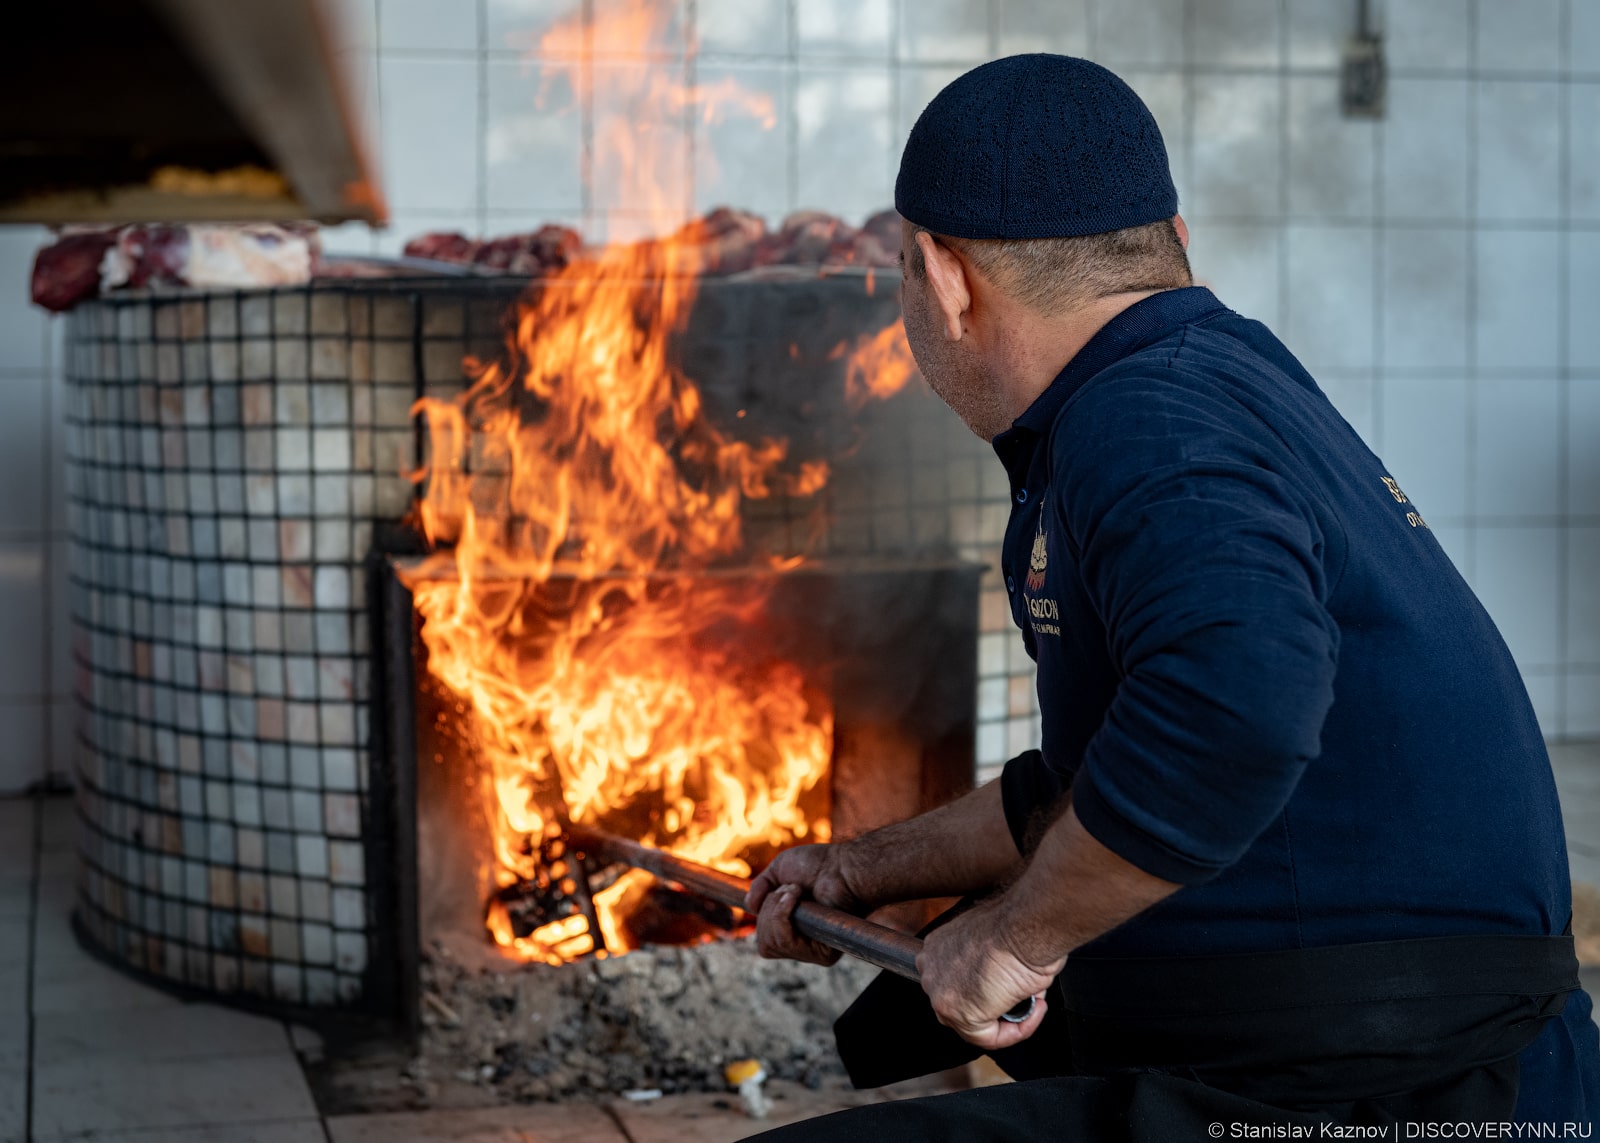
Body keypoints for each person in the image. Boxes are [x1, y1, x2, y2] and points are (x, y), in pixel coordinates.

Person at [743, 53, 1600, 1138]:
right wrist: (858, 868)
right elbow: (1092, 783)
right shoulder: (1204, 382)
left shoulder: (1147, 421)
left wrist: (1014, 940)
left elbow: (1235, 705)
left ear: (943, 276)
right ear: (1173, 243)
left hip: (1385, 1095)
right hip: (1365, 1061)